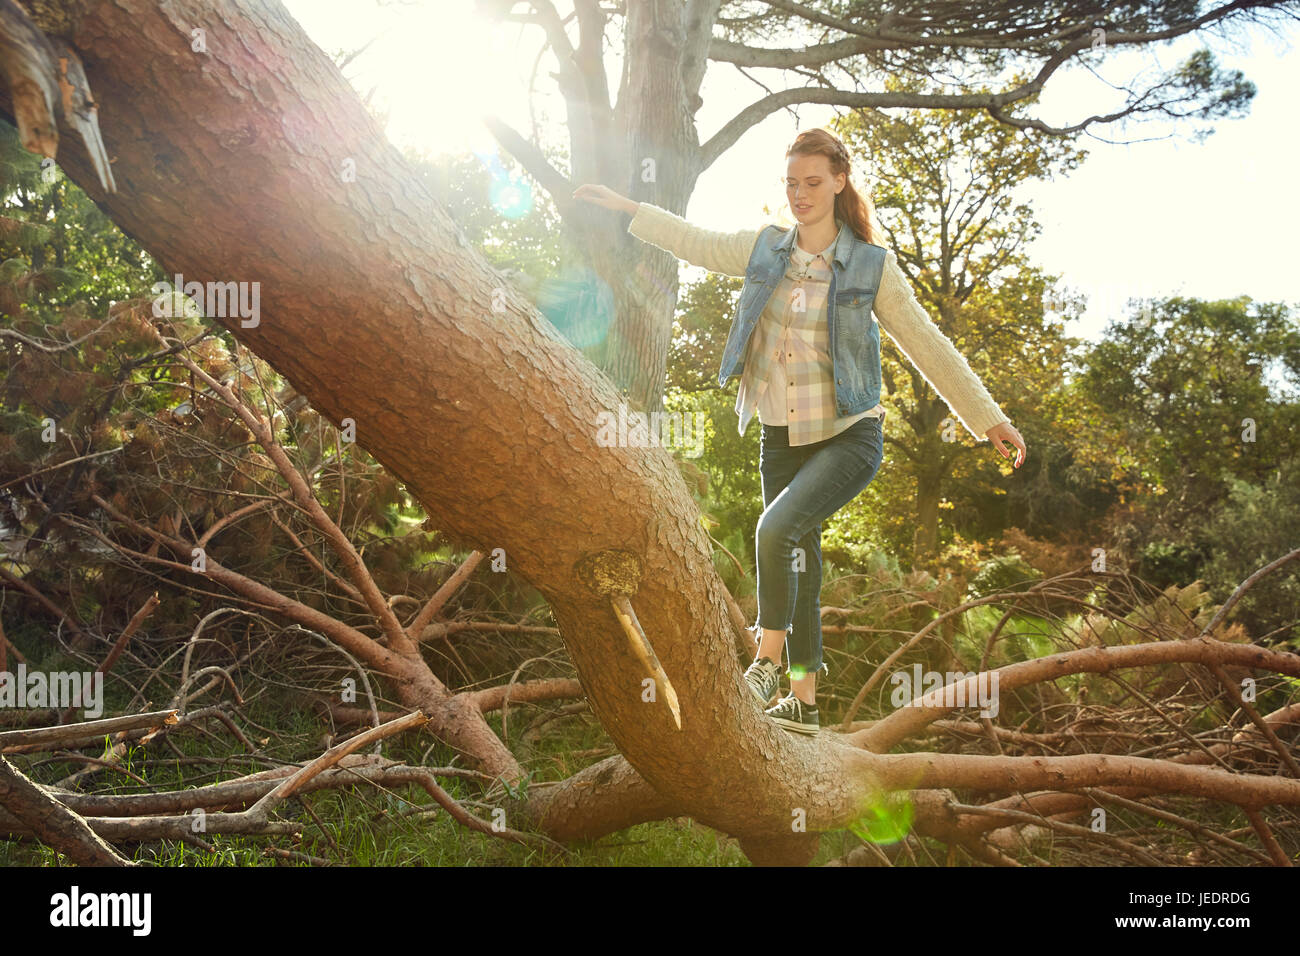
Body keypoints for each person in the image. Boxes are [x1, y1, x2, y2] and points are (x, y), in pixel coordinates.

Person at [573, 128, 1027, 736]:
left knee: (775, 527)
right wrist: (632, 210)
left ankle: (764, 661)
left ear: (840, 180)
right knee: (800, 563)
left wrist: (986, 417)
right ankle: (806, 702)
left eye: (813, 182)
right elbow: (697, 242)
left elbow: (924, 341)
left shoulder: (870, 265)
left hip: (847, 435)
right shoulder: (767, 250)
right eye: (791, 183)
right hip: (779, 434)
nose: (800, 194)